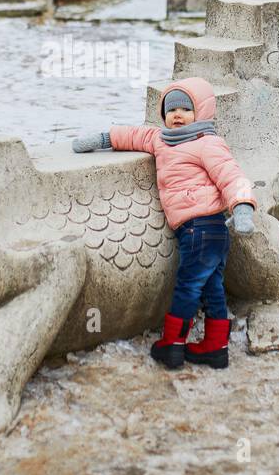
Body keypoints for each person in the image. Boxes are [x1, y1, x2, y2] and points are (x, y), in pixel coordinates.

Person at [72, 77, 257, 369]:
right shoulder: (162, 139)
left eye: (185, 109)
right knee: (212, 288)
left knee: (188, 287)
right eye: (171, 110)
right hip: (202, 232)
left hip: (202, 228)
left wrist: (243, 206)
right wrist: (102, 139)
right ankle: (216, 348)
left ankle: (172, 344)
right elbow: (134, 136)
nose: (177, 115)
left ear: (201, 112)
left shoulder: (207, 143)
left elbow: (231, 176)